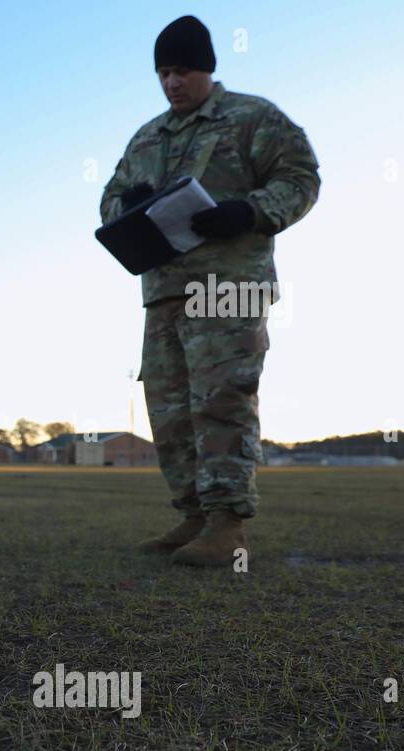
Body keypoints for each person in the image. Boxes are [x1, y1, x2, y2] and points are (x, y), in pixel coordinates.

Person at [100, 15, 320, 566]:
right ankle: (194, 516)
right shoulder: (148, 135)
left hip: (230, 286)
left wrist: (249, 211)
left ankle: (227, 528)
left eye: (184, 71)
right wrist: (126, 207)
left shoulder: (252, 117)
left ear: (208, 69)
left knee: (222, 398)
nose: (173, 82)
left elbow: (301, 178)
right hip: (164, 292)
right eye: (164, 73)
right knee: (169, 409)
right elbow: (110, 197)